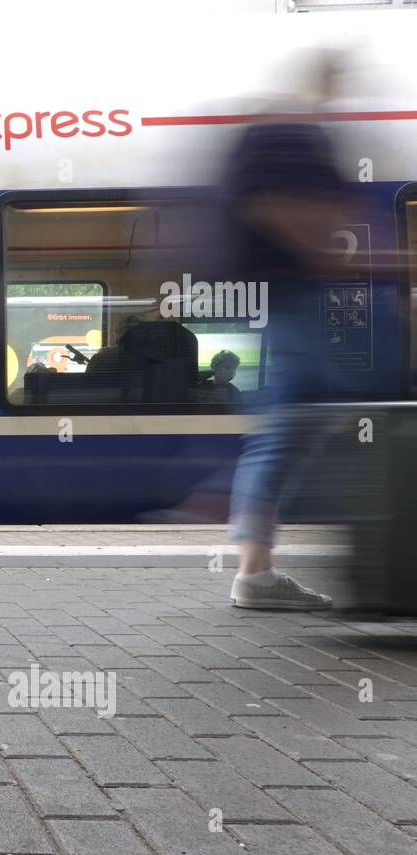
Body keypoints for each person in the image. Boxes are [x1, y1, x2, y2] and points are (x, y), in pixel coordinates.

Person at [224, 49, 348, 611]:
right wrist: (322, 252)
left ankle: (257, 568)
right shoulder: (287, 129)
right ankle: (255, 572)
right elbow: (272, 207)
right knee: (289, 427)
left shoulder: (290, 127)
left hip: (293, 291)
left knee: (292, 423)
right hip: (293, 291)